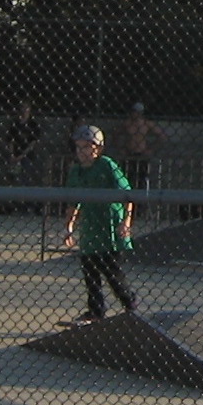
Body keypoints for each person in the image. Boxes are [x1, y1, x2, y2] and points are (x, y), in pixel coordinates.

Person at [59, 125, 141, 326]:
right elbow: (73, 203)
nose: (82, 152)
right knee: (89, 271)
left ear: (98, 149)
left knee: (111, 271)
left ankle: (130, 305)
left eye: (87, 147)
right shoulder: (76, 171)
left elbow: (128, 195)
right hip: (90, 229)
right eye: (78, 148)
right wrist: (69, 226)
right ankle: (96, 311)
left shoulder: (107, 165)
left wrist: (126, 222)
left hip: (111, 228)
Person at [3, 102, 43, 207]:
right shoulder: (15, 124)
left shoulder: (33, 125)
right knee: (14, 179)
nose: (24, 112)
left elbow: (32, 144)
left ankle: (26, 204)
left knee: (26, 179)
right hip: (15, 155)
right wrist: (12, 155)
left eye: (26, 110)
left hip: (26, 156)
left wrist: (22, 155)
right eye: (22, 109)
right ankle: (13, 204)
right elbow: (10, 140)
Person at [117, 102, 164, 190]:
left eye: (136, 112)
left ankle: (141, 201)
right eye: (133, 111)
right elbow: (116, 135)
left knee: (142, 179)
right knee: (128, 178)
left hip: (142, 154)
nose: (134, 114)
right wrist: (121, 148)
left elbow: (161, 136)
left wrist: (151, 149)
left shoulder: (146, 124)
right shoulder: (127, 124)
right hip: (129, 154)